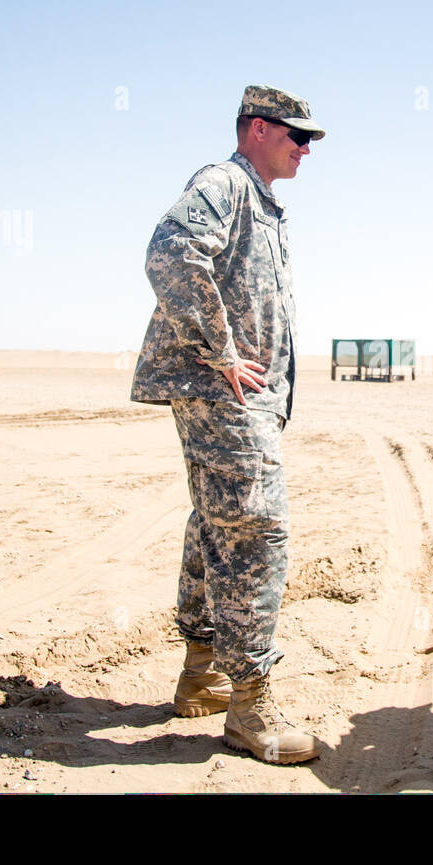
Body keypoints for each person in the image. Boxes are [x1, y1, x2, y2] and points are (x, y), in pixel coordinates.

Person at [130, 84, 325, 765]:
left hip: (243, 398)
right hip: (223, 394)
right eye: (297, 135)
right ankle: (251, 706)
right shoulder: (224, 183)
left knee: (217, 523)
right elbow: (170, 252)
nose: (306, 149)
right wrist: (223, 349)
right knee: (256, 532)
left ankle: (203, 673)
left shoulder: (260, 201)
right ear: (256, 129)